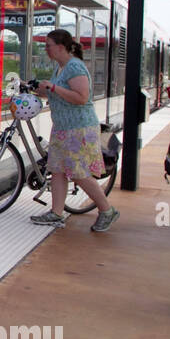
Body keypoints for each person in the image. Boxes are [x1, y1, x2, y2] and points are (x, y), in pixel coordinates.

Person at [31, 29, 118, 231]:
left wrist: (52, 88)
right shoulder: (61, 68)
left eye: (48, 45)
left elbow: (81, 97)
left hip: (78, 129)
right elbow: (62, 95)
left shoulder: (74, 67)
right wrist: (39, 88)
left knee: (79, 173)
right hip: (63, 128)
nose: (46, 49)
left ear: (60, 47)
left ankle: (107, 210)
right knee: (59, 171)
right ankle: (56, 213)